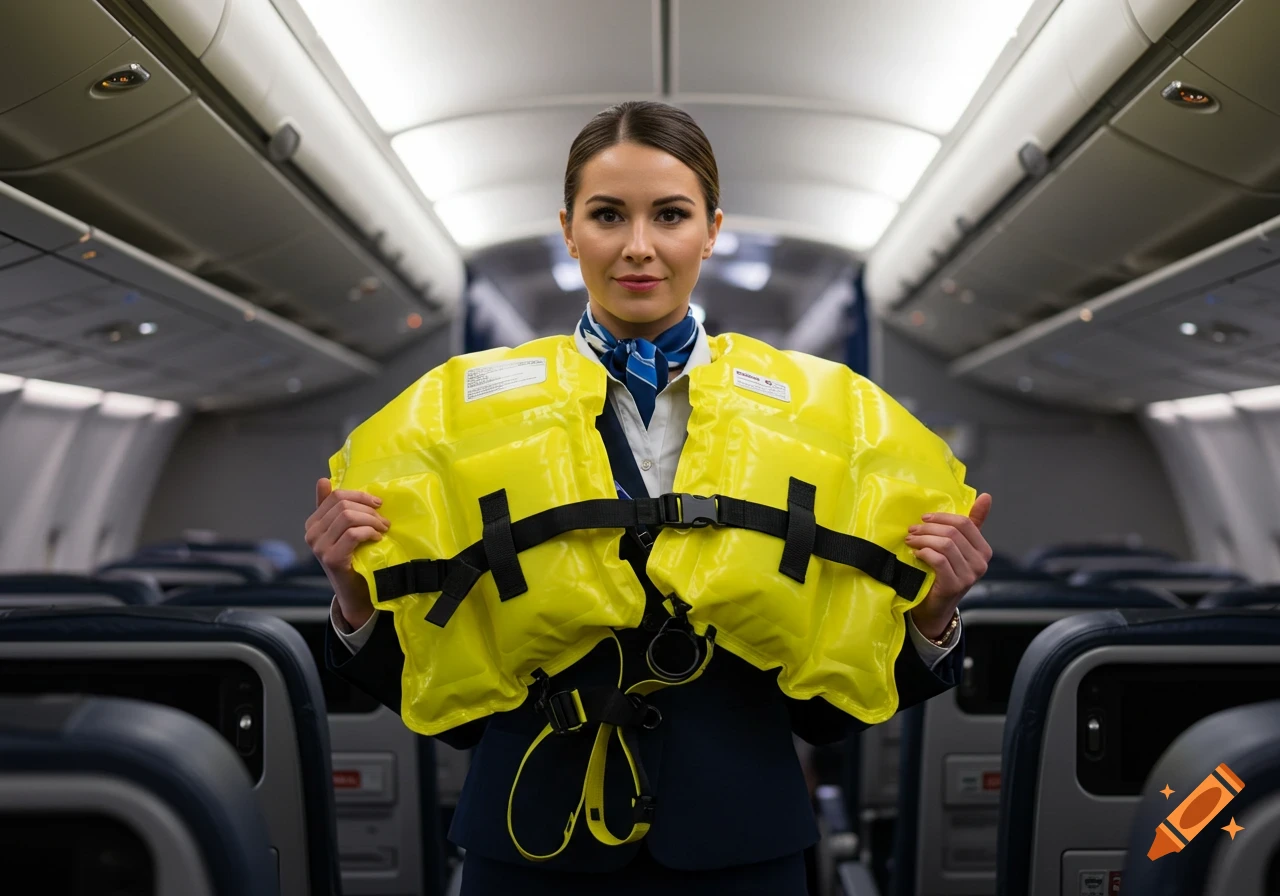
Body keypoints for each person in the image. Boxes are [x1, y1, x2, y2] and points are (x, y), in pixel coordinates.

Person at [306, 101, 994, 894]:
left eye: (670, 215)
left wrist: (933, 614)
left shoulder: (823, 426)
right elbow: (450, 710)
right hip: (530, 839)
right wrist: (355, 599)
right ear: (569, 230)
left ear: (711, 230)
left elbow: (830, 714)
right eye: (607, 215)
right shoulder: (462, 425)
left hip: (740, 842)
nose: (639, 247)